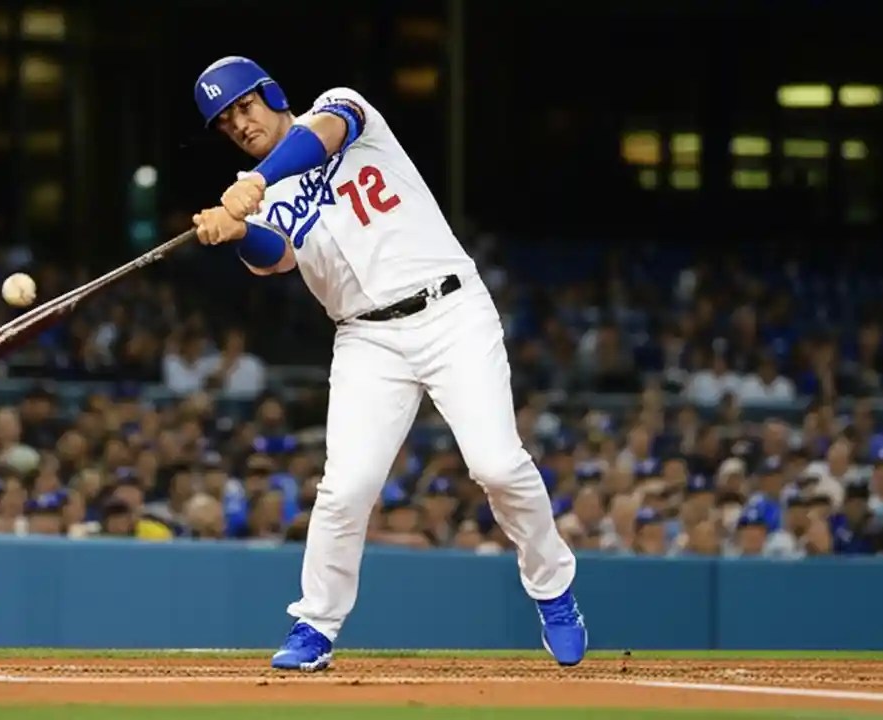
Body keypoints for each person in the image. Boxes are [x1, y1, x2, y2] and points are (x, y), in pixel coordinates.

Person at [189, 56, 586, 671]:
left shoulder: (338, 107)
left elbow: (322, 135)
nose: (239, 123)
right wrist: (237, 230)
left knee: (498, 465)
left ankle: (553, 589)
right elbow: (277, 257)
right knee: (345, 488)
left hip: (450, 308)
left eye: (245, 106)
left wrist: (254, 185)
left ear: (271, 94)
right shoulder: (256, 195)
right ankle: (315, 627)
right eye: (224, 121)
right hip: (365, 338)